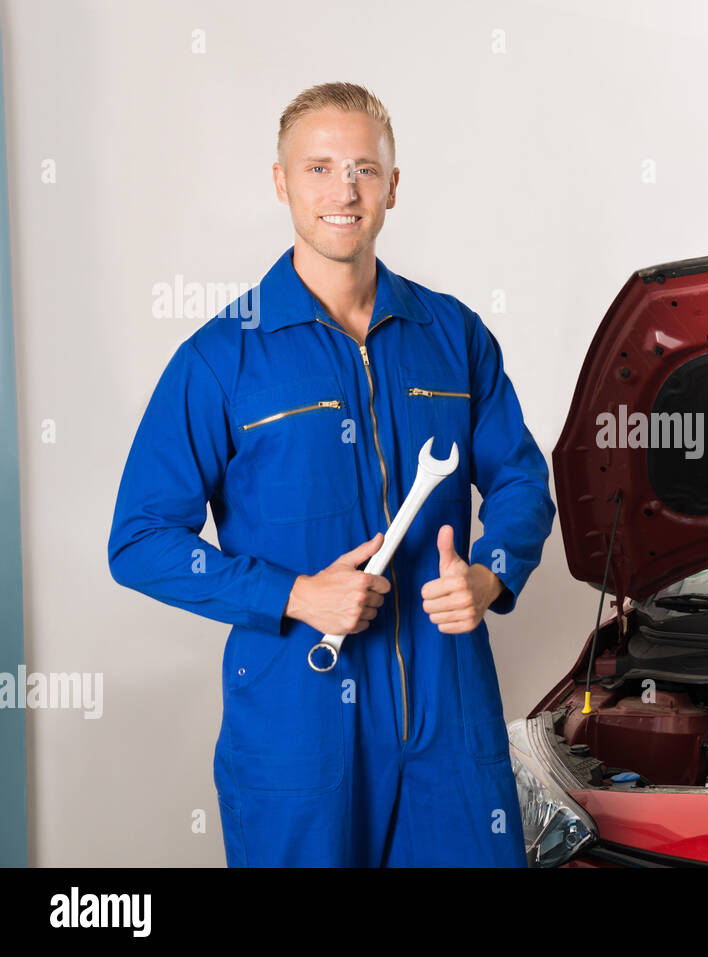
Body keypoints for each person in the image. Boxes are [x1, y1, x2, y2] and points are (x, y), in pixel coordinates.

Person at [107, 81, 555, 866]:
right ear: (281, 182)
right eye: (318, 168)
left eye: (363, 169)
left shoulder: (453, 335)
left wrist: (491, 573)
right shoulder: (223, 357)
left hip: (451, 719)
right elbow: (140, 538)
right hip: (297, 729)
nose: (343, 191)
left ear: (392, 186)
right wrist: (291, 594)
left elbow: (520, 478)